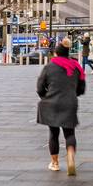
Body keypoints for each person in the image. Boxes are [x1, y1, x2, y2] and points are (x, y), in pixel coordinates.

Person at [37, 37, 86, 176]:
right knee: (69, 133)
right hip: (69, 102)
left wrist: (45, 97)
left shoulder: (49, 66)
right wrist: (72, 94)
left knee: (54, 133)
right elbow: (81, 89)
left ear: (56, 54)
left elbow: (40, 87)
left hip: (51, 102)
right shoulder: (76, 66)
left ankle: (55, 163)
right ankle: (70, 154)